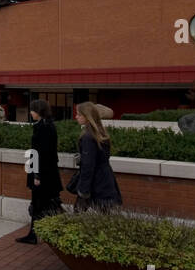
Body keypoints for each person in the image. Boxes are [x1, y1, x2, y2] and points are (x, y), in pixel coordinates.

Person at [16, 99, 63, 244]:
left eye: (32, 110)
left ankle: (38, 234)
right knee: (43, 203)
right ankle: (34, 233)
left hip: (41, 172)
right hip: (48, 172)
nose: (30, 113)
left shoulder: (43, 128)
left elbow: (40, 153)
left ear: (38, 111)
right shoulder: (49, 126)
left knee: (40, 203)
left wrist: (37, 175)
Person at [71, 101, 123, 212]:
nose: (76, 117)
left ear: (87, 116)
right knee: (104, 214)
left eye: (79, 114)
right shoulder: (101, 133)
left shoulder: (88, 137)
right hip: (105, 179)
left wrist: (83, 190)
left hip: (94, 183)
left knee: (78, 216)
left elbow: (88, 166)